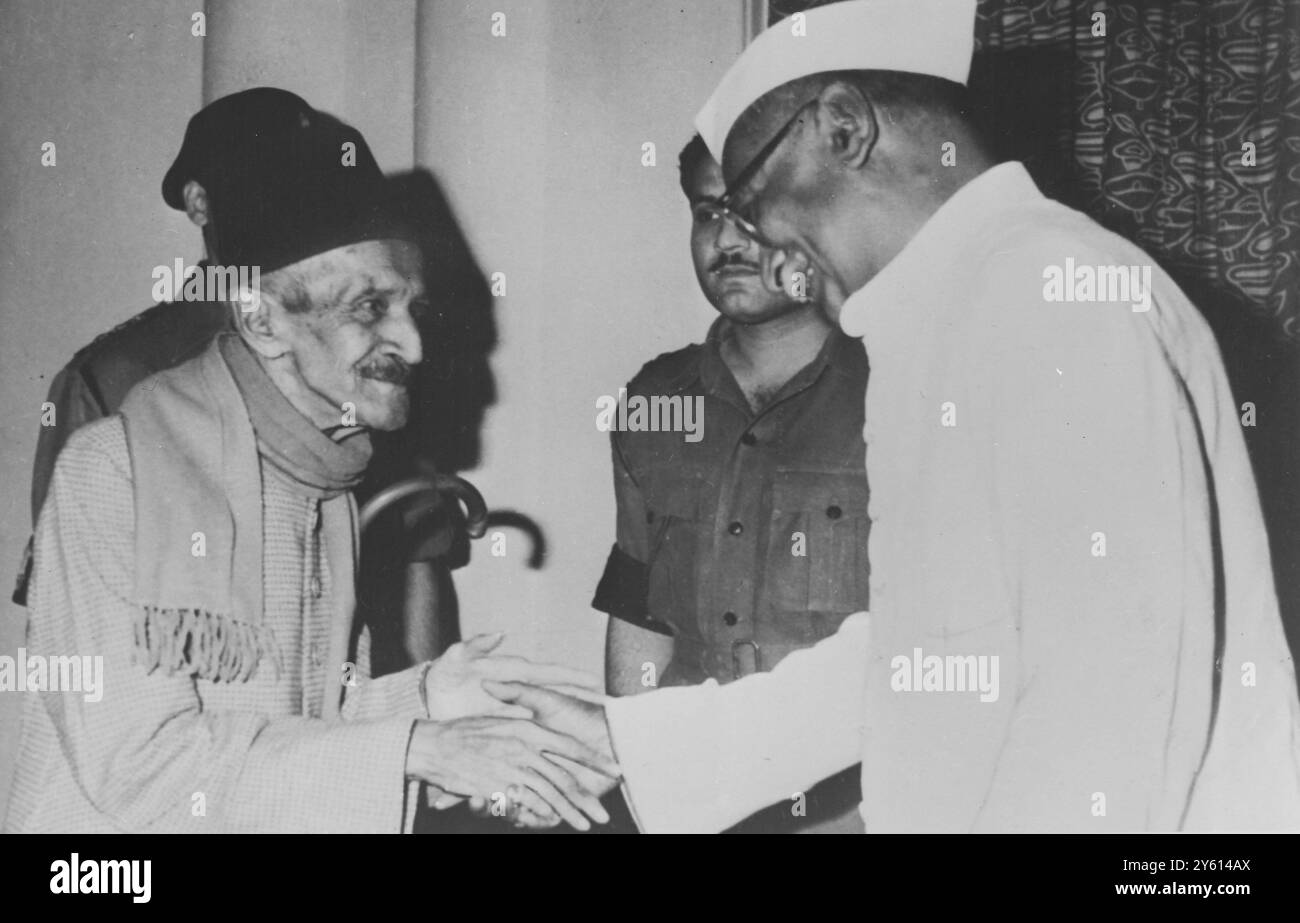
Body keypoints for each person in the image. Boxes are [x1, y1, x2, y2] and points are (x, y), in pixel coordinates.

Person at [490, 0, 1300, 832]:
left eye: (756, 199)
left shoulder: (1050, 289)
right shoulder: (951, 314)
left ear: (844, 129)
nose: (763, 251)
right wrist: (636, 746)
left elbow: (1109, 706)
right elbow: (922, 660)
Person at [5, 102, 617, 833]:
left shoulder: (322, 481)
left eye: (412, 308)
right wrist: (416, 747)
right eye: (369, 307)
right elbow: (145, 765)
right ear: (262, 320)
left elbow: (292, 721)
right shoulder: (112, 472)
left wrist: (427, 695)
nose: (414, 347)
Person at [13, 87, 465, 669]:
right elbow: (70, 619)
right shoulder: (112, 378)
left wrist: (419, 726)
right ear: (198, 200)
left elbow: (416, 552)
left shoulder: (364, 366)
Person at [592, 134, 868, 832]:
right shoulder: (657, 399)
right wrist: (638, 779)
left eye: (753, 210)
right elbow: (639, 613)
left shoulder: (894, 388)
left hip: (849, 807)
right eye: (708, 210)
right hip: (695, 803)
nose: (728, 237)